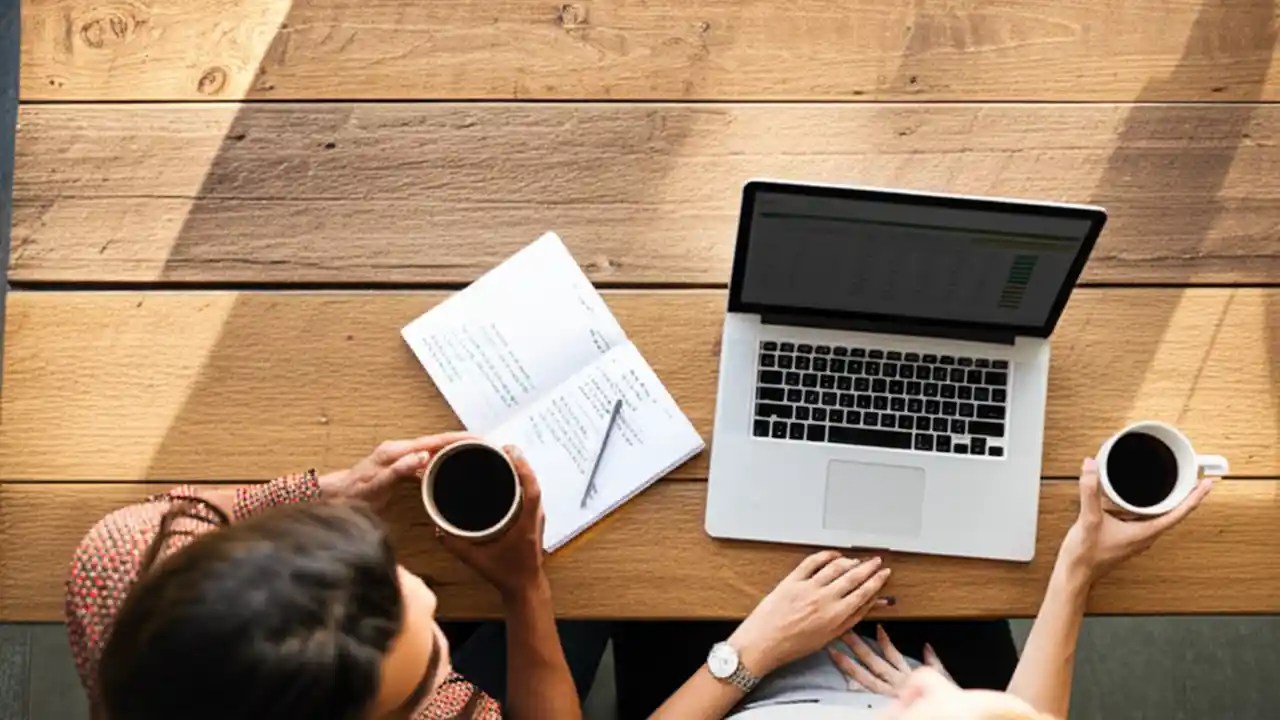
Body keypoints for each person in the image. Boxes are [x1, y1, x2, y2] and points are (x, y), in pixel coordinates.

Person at [66, 432, 594, 720]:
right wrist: (525, 587)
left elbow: (201, 516)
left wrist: (332, 494)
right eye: (425, 674)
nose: (430, 601)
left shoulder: (119, 558)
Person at [650, 457, 1215, 719]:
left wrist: (752, 651)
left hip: (732, 676)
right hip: (909, 660)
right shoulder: (932, 694)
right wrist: (1077, 569)